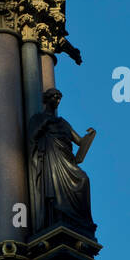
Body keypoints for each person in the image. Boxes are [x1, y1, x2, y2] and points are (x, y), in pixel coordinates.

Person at [28, 87, 96, 233]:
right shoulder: (39, 118)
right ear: (47, 99)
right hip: (52, 159)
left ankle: (79, 221)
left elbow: (79, 141)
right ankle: (57, 217)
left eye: (59, 97)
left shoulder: (63, 123)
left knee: (83, 179)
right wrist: (44, 124)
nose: (57, 100)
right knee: (56, 187)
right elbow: (32, 137)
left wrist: (90, 135)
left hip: (66, 159)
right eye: (54, 97)